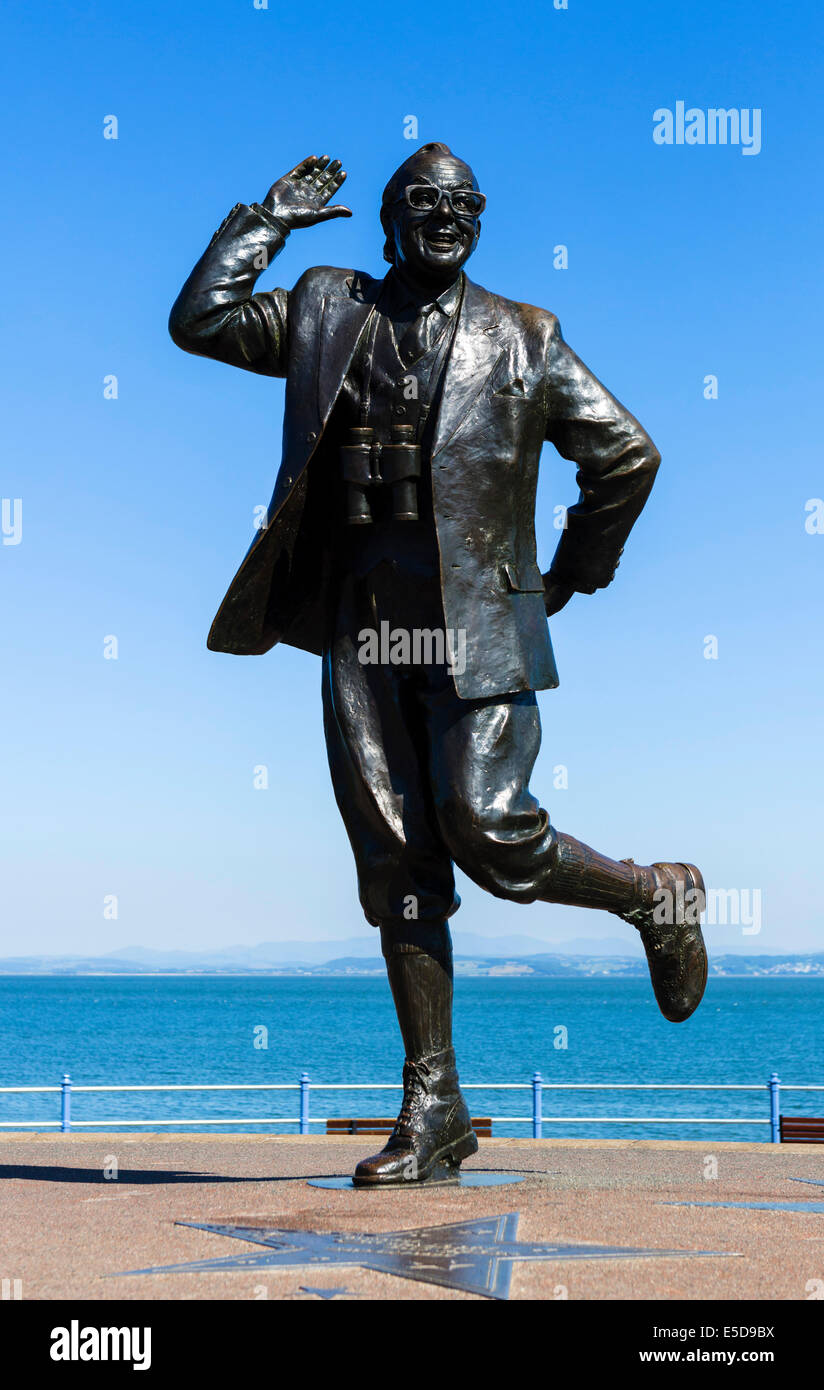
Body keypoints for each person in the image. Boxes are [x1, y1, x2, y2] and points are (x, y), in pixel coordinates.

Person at [169, 145, 707, 1185]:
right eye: (423, 201)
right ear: (388, 218)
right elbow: (201, 322)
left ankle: (653, 895)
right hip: (361, 625)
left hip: (478, 629)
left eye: (462, 203)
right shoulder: (329, 307)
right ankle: (434, 1107)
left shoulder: (524, 334)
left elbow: (625, 454)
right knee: (396, 868)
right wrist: (265, 221)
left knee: (486, 829)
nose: (444, 216)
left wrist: (567, 575)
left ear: (481, 217)